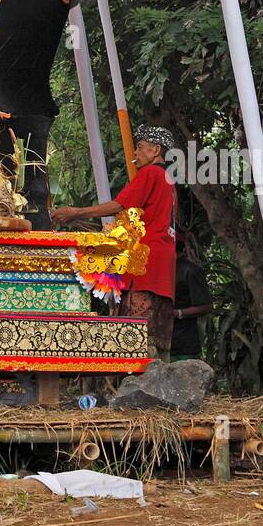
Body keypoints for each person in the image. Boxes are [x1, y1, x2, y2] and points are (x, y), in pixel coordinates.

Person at [52, 125, 178, 360]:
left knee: (136, 332)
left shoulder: (151, 174)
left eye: (140, 148)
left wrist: (76, 213)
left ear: (155, 150)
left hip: (146, 262)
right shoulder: (168, 181)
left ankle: (139, 380)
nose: (135, 154)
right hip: (163, 261)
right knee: (156, 332)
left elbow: (119, 205)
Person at [171, 233, 213, 360]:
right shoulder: (160, 269)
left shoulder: (191, 271)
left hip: (184, 343)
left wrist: (178, 313)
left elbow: (206, 306)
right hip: (163, 341)